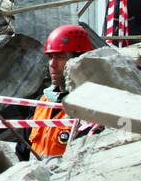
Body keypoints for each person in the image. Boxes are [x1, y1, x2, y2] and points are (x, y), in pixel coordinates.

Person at [27, 24, 93, 159]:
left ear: (79, 61)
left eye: (61, 57)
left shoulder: (89, 111)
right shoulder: (42, 103)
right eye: (51, 57)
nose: (52, 64)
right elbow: (22, 151)